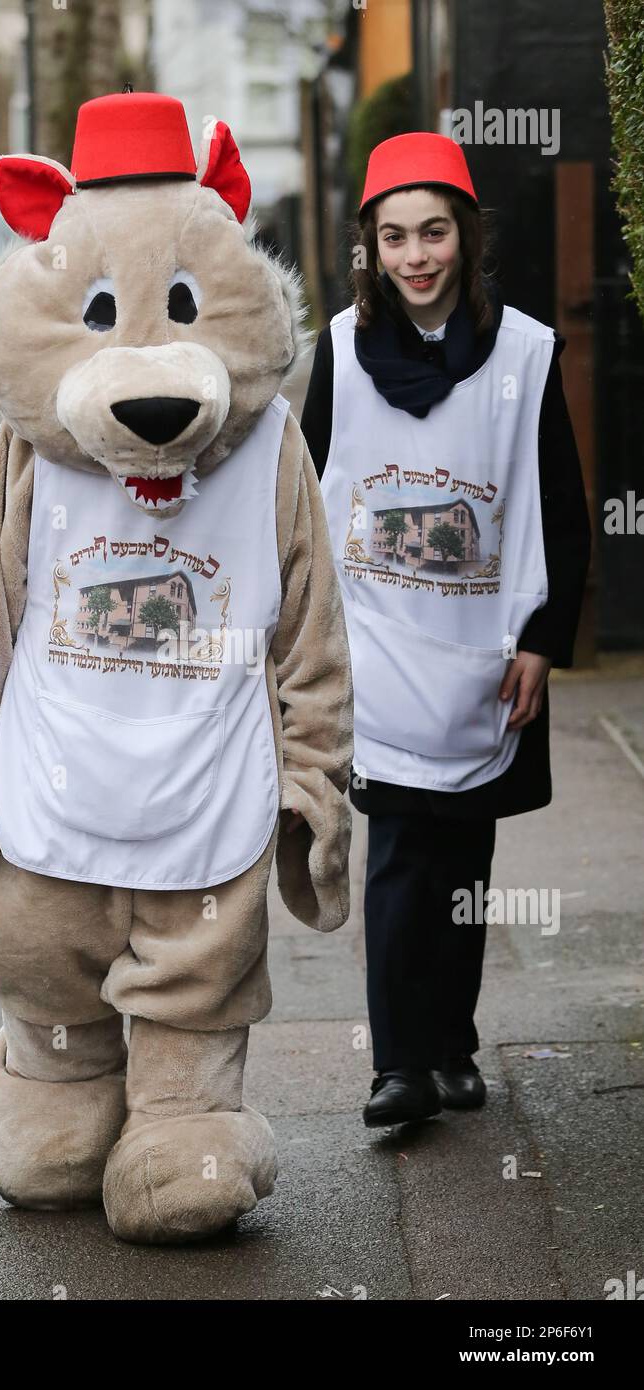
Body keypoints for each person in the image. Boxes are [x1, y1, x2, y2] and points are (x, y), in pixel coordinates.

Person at [301, 132, 591, 1127]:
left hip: (483, 648)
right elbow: (300, 500)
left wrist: (541, 639)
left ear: (465, 239)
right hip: (374, 646)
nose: (415, 254)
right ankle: (397, 1061)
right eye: (394, 236)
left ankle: (452, 1044)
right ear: (369, 247)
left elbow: (557, 501)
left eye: (432, 232)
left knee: (463, 858)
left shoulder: (521, 353)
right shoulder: (333, 353)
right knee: (396, 854)